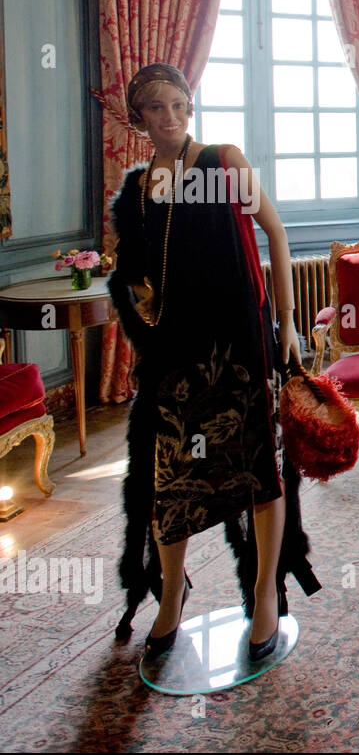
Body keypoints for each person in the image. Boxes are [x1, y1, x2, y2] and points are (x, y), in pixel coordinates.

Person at [108, 63, 318, 663]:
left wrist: (289, 323)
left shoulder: (224, 160)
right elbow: (137, 270)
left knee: (256, 466)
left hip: (240, 340)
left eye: (179, 104)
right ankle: (171, 593)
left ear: (190, 107)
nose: (170, 117)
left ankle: (264, 594)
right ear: (139, 118)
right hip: (176, 348)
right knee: (170, 471)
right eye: (156, 108)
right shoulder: (139, 187)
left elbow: (275, 234)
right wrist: (139, 298)